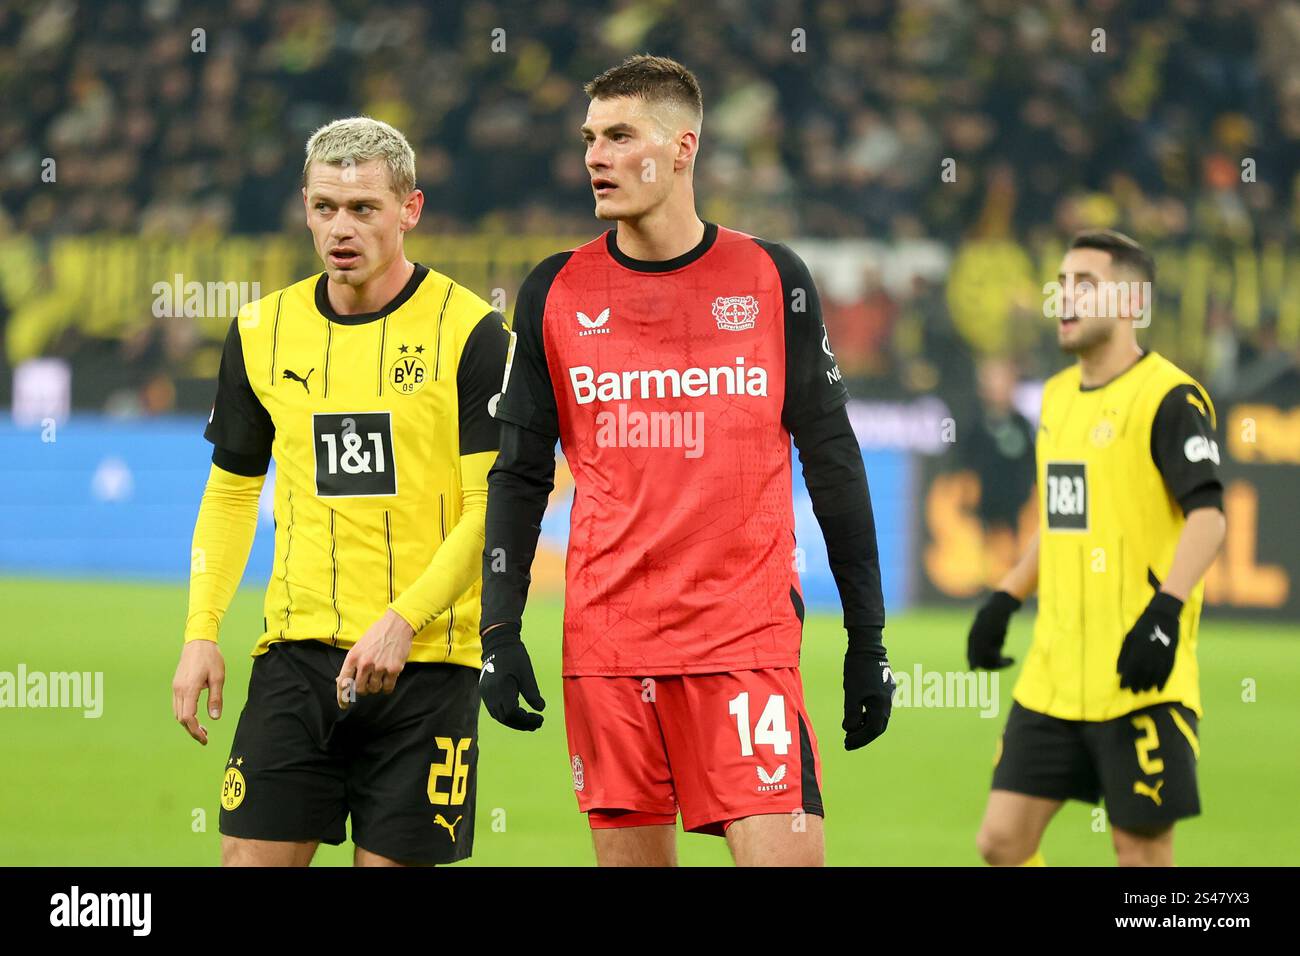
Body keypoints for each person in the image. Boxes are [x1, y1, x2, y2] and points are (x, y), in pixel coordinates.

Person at [479, 55, 894, 867]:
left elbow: (834, 460)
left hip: (745, 643)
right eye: (589, 138)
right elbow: (520, 473)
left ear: (682, 149)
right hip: (606, 649)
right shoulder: (554, 290)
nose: (595, 156)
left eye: (620, 135)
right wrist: (500, 628)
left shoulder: (774, 279)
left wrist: (867, 638)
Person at [171, 117, 509, 866]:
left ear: (409, 210)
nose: (340, 228)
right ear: (304, 209)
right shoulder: (262, 330)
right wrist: (202, 630)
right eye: (324, 208)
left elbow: (494, 512)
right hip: (296, 661)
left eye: (363, 208)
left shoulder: (473, 332)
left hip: (425, 667)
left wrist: (402, 619)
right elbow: (230, 494)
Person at [967, 230, 1226, 866]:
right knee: (1001, 843)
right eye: (1061, 284)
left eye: (1086, 284)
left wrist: (1164, 614)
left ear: (1132, 302)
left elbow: (1210, 517)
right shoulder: (1055, 399)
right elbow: (1062, 523)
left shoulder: (1169, 397)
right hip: (1054, 678)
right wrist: (1006, 596)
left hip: (1139, 679)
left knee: (1139, 851)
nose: (1065, 297)